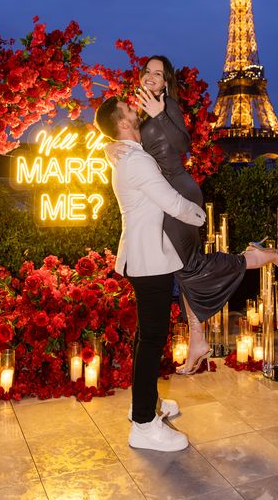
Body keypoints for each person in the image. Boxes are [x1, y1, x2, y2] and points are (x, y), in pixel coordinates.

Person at [109, 55, 278, 374]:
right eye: (147, 71)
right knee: (183, 269)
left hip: (178, 192)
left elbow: (183, 144)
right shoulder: (143, 116)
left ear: (166, 82)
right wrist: (109, 146)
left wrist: (161, 115)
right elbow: (130, 145)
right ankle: (198, 338)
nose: (151, 77)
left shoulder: (167, 106)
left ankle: (253, 257)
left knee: (189, 266)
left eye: (158, 74)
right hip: (164, 197)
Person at [94, 96, 207, 452]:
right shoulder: (136, 160)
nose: (135, 110)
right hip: (149, 260)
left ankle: (142, 406)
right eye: (129, 110)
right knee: (153, 340)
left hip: (143, 257)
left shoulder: (127, 155)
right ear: (123, 124)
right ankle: (143, 424)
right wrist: (202, 217)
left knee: (148, 337)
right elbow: (171, 202)